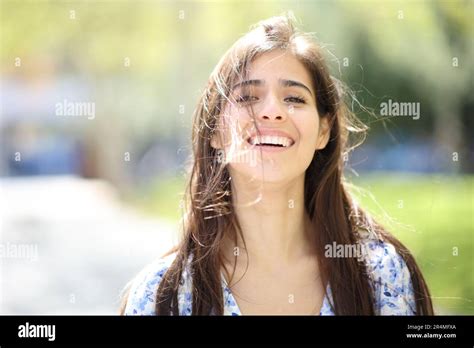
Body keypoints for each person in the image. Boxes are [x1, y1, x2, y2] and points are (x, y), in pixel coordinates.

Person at [121, 14, 433, 316]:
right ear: (214, 130)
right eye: (247, 97)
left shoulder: (382, 277)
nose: (272, 111)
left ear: (324, 130)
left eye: (294, 99)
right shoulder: (163, 296)